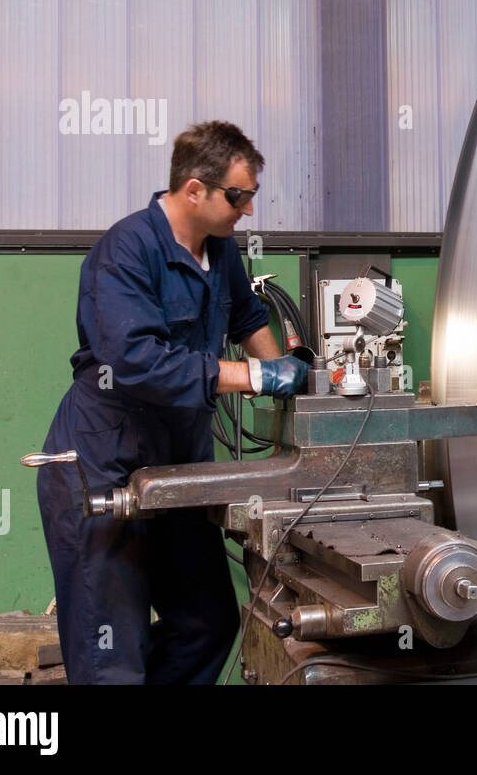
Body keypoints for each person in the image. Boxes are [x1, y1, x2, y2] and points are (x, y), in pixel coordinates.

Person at [35, 120, 309, 684]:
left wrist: (292, 375)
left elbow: (247, 316)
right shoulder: (126, 250)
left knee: (208, 622)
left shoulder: (220, 248)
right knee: (114, 652)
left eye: (251, 196)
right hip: (103, 465)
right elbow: (135, 362)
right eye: (239, 197)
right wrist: (258, 375)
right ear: (193, 190)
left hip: (178, 466)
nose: (248, 211)